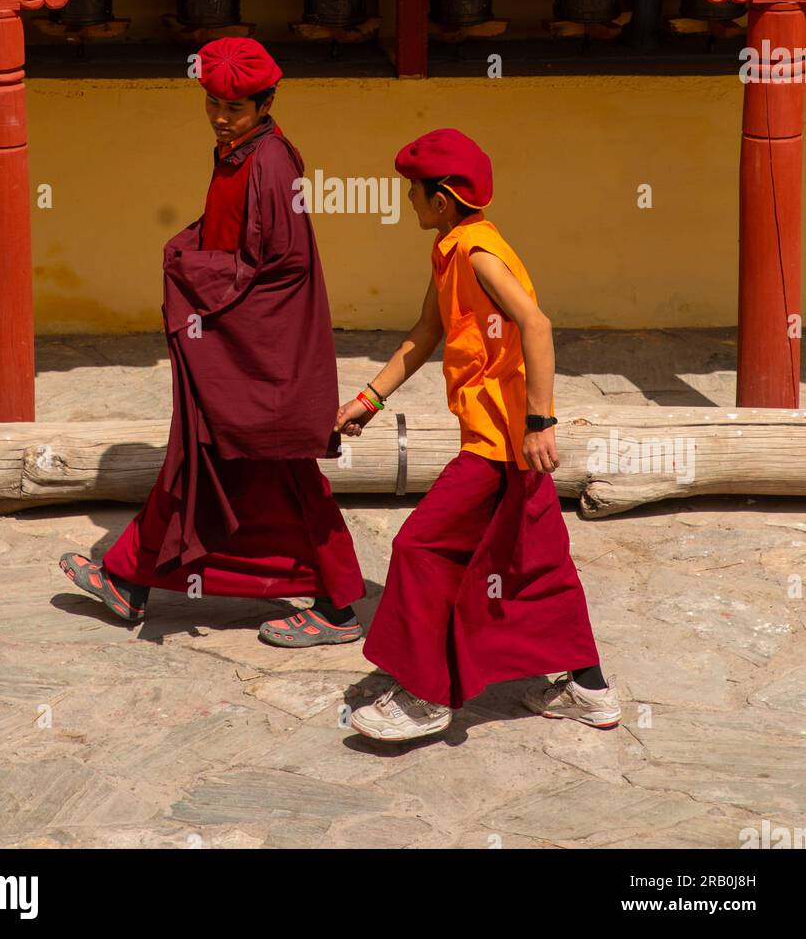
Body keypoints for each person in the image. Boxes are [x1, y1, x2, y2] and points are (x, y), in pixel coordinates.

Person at [60, 36, 365, 646]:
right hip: (233, 340)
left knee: (277, 472)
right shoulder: (235, 151)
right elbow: (228, 234)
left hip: (262, 353)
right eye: (212, 104)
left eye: (236, 106)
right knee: (209, 467)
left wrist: (189, 273)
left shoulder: (271, 164)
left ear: (267, 101)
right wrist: (191, 245)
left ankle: (335, 609)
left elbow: (279, 265)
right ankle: (131, 579)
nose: (222, 117)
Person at [339, 127, 620, 741]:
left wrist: (541, 421)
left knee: (421, 548)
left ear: (440, 198)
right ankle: (589, 688)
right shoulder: (451, 250)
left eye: (412, 193)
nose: (406, 202)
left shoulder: (478, 254)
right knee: (534, 563)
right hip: (498, 442)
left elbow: (537, 326)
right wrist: (369, 398)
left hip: (501, 447)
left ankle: (426, 695)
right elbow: (425, 331)